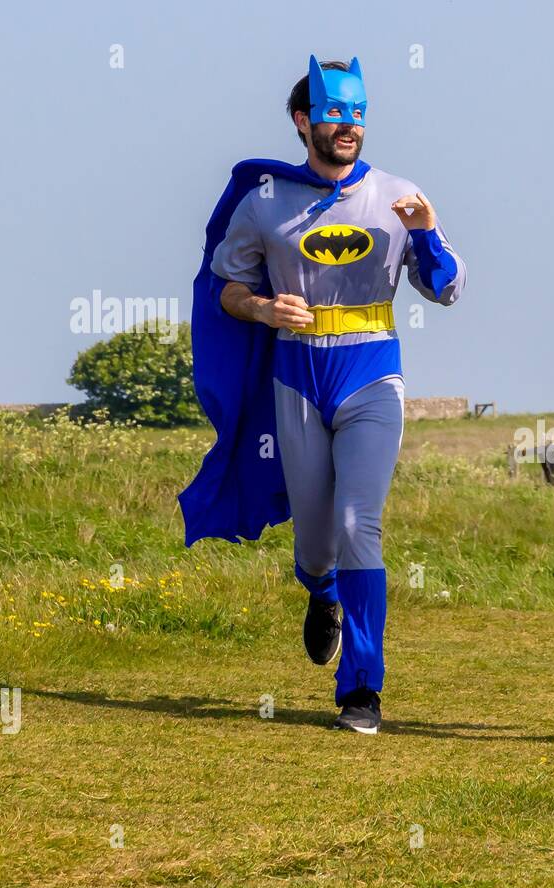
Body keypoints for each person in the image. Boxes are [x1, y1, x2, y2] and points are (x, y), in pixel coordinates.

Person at [179, 56, 466, 734]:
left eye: (359, 113)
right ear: (304, 121)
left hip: (372, 374)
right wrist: (264, 311)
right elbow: (225, 289)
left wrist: (425, 230)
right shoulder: (266, 202)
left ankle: (361, 689)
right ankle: (322, 591)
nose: (350, 125)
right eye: (336, 114)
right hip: (295, 378)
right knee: (315, 544)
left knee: (354, 523)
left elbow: (449, 288)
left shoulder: (399, 196)